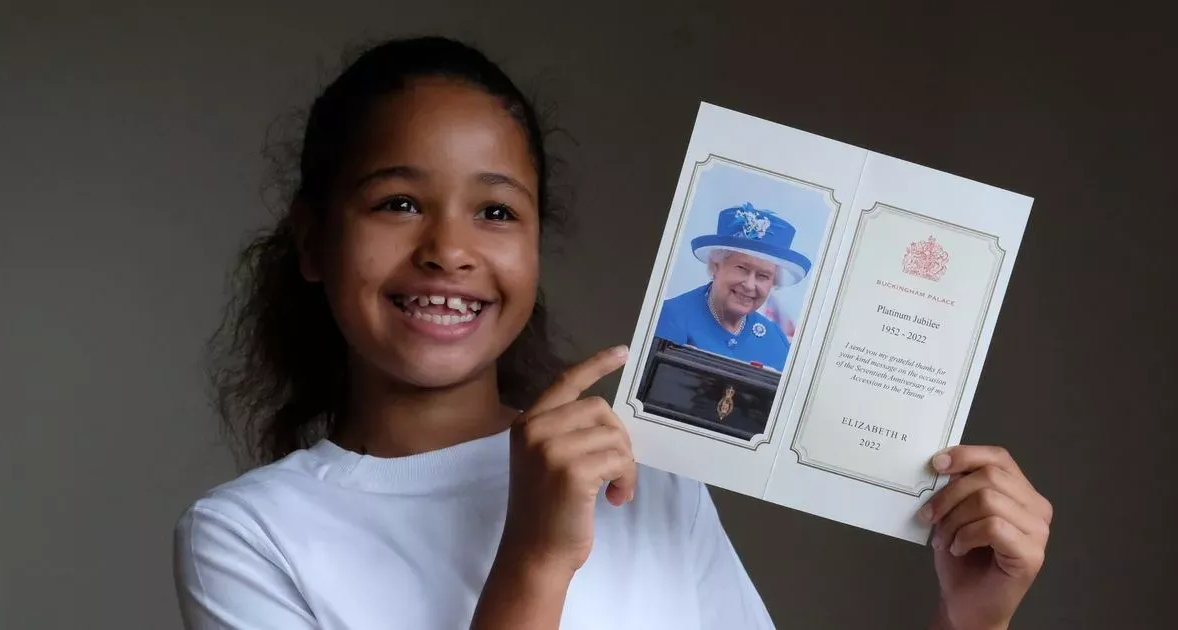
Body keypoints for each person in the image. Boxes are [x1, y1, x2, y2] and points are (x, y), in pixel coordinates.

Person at [172, 36, 1054, 630]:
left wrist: (972, 620)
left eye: (494, 211)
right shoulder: (249, 534)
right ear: (312, 241)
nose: (448, 249)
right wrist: (536, 554)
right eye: (399, 203)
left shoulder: (648, 473)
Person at [655, 204, 809, 370]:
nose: (750, 285)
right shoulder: (669, 318)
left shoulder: (776, 340)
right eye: (742, 269)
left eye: (763, 276)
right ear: (715, 266)